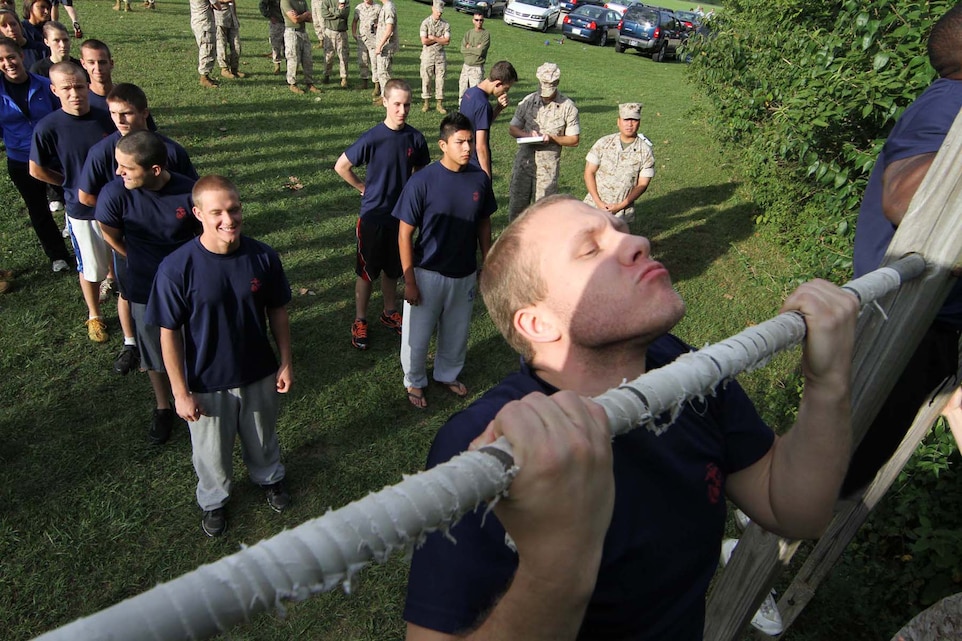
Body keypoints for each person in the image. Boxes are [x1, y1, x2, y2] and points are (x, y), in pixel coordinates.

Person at [404, 195, 859, 639]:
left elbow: (791, 509)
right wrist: (557, 563)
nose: (638, 241)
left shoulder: (680, 366)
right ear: (538, 324)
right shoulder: (484, 443)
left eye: (621, 230)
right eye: (591, 249)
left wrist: (828, 383)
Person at [846, 3, 962, 497]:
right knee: (843, 468)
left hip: (928, 318)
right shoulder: (949, 103)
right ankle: (762, 527)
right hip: (903, 321)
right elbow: (904, 197)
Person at [147, 175, 293, 538]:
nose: (229, 219)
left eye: (234, 209)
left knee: (263, 437)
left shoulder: (263, 256)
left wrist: (285, 360)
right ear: (198, 214)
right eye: (217, 212)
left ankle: (269, 478)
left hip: (258, 371)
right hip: (206, 382)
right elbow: (168, 334)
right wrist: (180, 392)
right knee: (210, 452)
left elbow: (277, 310)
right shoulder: (176, 268)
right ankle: (214, 499)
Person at [78, 83, 198, 377]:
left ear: (144, 113)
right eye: (113, 113)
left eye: (127, 113)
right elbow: (91, 202)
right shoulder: (104, 155)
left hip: (176, 255)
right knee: (130, 297)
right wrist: (130, 250)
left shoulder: (172, 151)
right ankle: (132, 343)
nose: (120, 120)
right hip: (134, 251)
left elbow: (195, 199)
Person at [95, 131, 199, 445]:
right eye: (118, 165)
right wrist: (136, 257)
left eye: (127, 167)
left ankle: (196, 391)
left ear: (155, 170)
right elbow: (109, 233)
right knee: (153, 348)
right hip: (144, 283)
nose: (118, 172)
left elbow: (203, 234)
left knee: (194, 340)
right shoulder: (115, 194)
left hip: (188, 283)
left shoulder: (188, 191)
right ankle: (163, 406)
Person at [394, 112, 495, 408]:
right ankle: (414, 380)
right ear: (443, 145)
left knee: (457, 331)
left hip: (464, 272)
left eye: (470, 141)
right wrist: (409, 281)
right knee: (417, 335)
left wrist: (487, 261)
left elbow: (484, 222)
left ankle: (447, 374)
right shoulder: (422, 181)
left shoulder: (479, 179)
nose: (467, 148)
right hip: (428, 273)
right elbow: (404, 235)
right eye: (460, 142)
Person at [334, 78, 430, 350]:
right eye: (397, 104)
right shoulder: (373, 137)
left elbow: (421, 171)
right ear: (385, 102)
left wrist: (413, 196)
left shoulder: (415, 138)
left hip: (401, 218)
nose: (402, 110)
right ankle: (360, 319)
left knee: (393, 268)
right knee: (367, 271)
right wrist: (362, 188)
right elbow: (341, 166)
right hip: (373, 216)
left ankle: (389, 312)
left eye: (407, 105)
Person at [29, 61, 115, 343]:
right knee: (90, 265)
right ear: (54, 90)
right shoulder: (48, 127)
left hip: (117, 203)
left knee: (120, 253)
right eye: (66, 88)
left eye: (79, 86)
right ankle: (94, 314)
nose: (74, 93)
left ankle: (118, 285)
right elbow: (36, 169)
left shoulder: (107, 117)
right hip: (82, 211)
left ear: (87, 85)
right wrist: (68, 182)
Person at [0, 36, 71, 272]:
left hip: (54, 157)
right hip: (20, 161)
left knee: (72, 199)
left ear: (21, 56)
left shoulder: (44, 85)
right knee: (38, 210)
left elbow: (62, 116)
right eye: (1, 60)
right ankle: (58, 256)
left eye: (11, 57)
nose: (8, 63)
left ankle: (81, 242)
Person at [507, 62, 580, 221]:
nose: (545, 94)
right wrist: (527, 135)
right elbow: (513, 128)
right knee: (517, 208)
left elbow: (574, 140)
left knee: (543, 212)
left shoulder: (568, 107)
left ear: (557, 83)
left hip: (547, 169)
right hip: (524, 163)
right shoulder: (528, 101)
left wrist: (552, 138)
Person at [583, 102, 655, 224]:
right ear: (618, 121)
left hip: (621, 212)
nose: (630, 124)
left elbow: (642, 184)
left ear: (639, 122)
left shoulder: (645, 152)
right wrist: (598, 202)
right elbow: (589, 172)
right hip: (593, 206)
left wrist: (620, 206)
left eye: (634, 120)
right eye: (626, 120)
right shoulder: (603, 143)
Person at [458, 59, 516, 178]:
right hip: (476, 164)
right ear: (498, 84)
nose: (505, 93)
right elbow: (481, 146)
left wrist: (498, 108)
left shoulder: (469, 92)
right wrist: (486, 175)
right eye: (506, 89)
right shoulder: (483, 105)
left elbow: (479, 123)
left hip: (463, 157)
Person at [281, 0, 318, 94]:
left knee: (308, 59)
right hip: (292, 32)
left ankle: (309, 83)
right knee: (293, 59)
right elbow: (294, 19)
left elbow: (310, 18)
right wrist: (305, 15)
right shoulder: (286, 1)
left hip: (303, 32)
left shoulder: (302, 1)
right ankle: (292, 83)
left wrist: (302, 16)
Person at [418, 0, 448, 114]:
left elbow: (447, 41)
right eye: (437, 11)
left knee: (440, 80)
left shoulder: (445, 25)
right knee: (426, 79)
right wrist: (440, 39)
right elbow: (424, 41)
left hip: (440, 57)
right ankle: (426, 102)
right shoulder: (425, 23)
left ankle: (439, 104)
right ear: (432, 9)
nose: (439, 14)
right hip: (427, 56)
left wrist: (434, 38)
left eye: (441, 12)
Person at [315, 0, 348, 87]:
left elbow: (344, 13)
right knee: (328, 55)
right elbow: (324, 14)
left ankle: (344, 78)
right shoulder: (326, 1)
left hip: (342, 32)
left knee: (343, 56)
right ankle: (326, 75)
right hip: (329, 31)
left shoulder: (345, 1)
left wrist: (331, 10)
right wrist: (338, 12)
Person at [458, 12, 488, 101]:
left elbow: (480, 51)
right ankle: (461, 107)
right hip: (466, 67)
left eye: (481, 20)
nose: (479, 22)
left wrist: (469, 47)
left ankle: (473, 109)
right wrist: (475, 48)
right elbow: (462, 49)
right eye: (476, 20)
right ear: (473, 21)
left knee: (475, 94)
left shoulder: (485, 34)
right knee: (462, 91)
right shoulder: (468, 33)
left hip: (477, 68)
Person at [188, 0, 219, 87]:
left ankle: (206, 76)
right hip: (205, 22)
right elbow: (217, 5)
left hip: (196, 20)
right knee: (207, 48)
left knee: (204, 47)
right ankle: (204, 77)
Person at [370, 0, 395, 101]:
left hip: (385, 47)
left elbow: (389, 30)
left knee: (384, 73)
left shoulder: (389, 8)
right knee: (382, 72)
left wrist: (379, 46)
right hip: (383, 46)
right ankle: (383, 96)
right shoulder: (385, 7)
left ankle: (386, 98)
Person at [350, 0, 377, 91]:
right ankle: (364, 82)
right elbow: (354, 21)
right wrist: (354, 33)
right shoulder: (359, 8)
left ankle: (377, 85)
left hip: (374, 40)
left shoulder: (378, 8)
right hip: (362, 39)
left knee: (375, 62)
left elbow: (383, 23)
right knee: (363, 61)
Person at [214, 0, 244, 80]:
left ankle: (234, 69)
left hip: (231, 17)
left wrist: (235, 16)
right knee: (221, 44)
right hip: (220, 18)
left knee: (237, 45)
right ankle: (224, 68)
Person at [258, 0, 284, 75]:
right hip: (277, 22)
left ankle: (291, 67)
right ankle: (277, 65)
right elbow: (262, 4)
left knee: (290, 46)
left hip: (290, 22)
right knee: (276, 45)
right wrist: (269, 16)